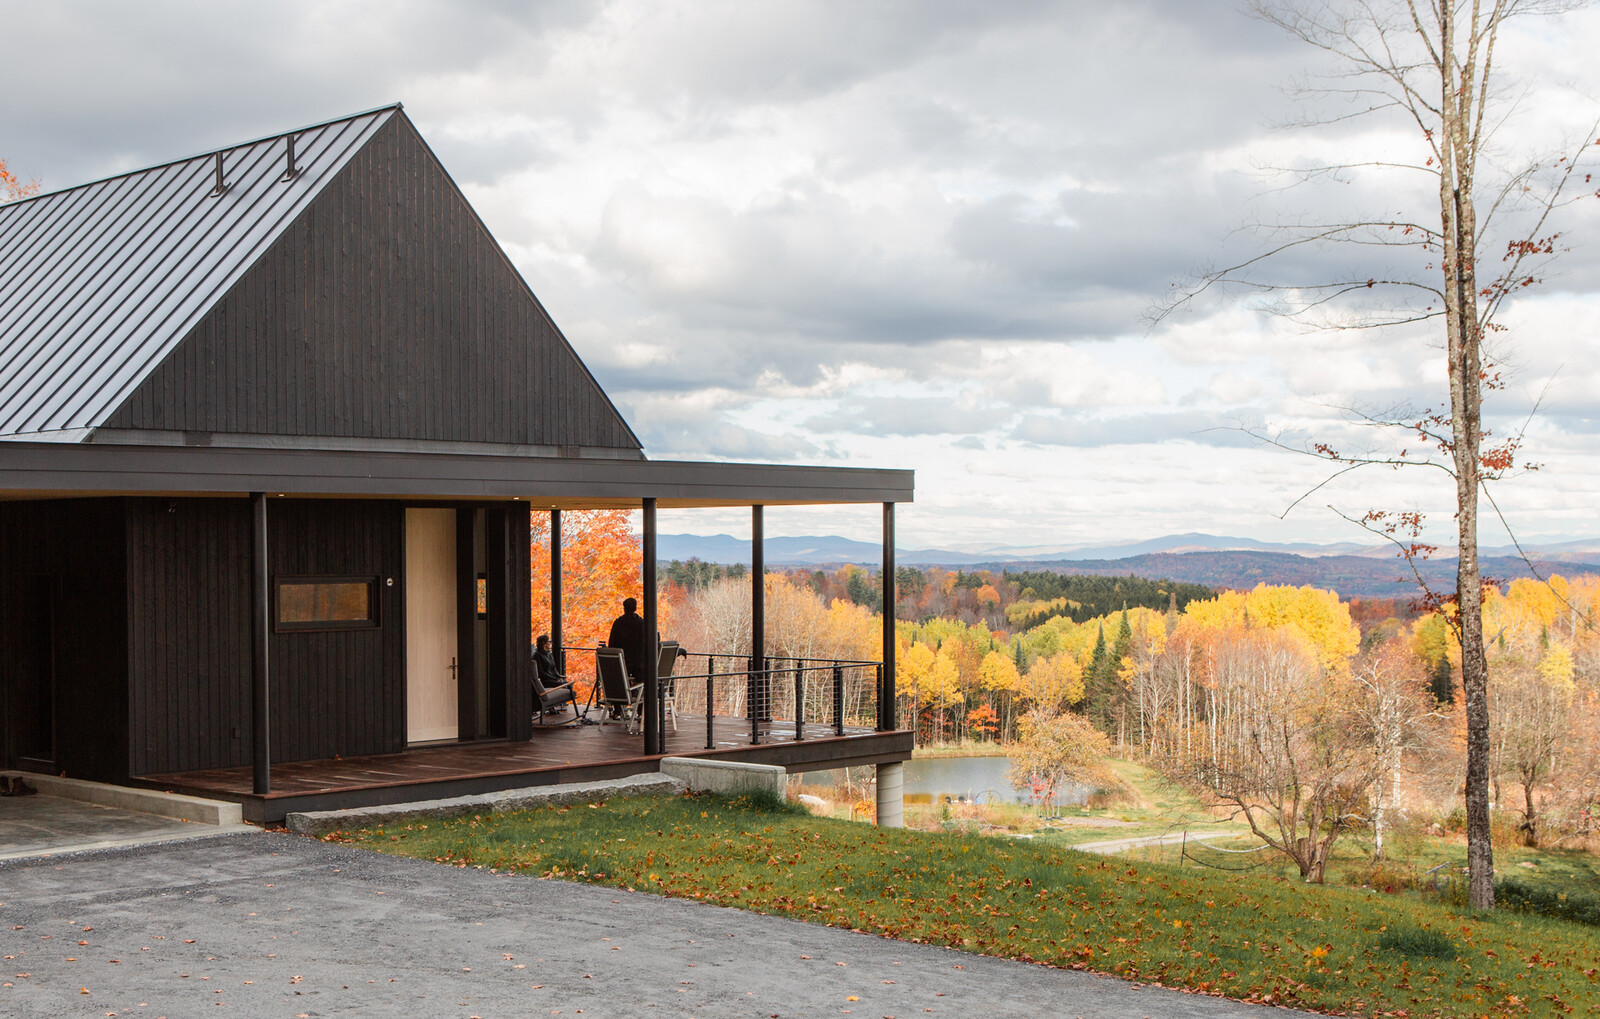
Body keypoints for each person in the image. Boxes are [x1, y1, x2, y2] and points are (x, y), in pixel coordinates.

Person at [606, 597, 648, 681]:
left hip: (621, 665)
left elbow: (611, 644)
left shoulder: (618, 624)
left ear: (624, 608)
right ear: (635, 608)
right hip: (639, 666)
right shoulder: (642, 623)